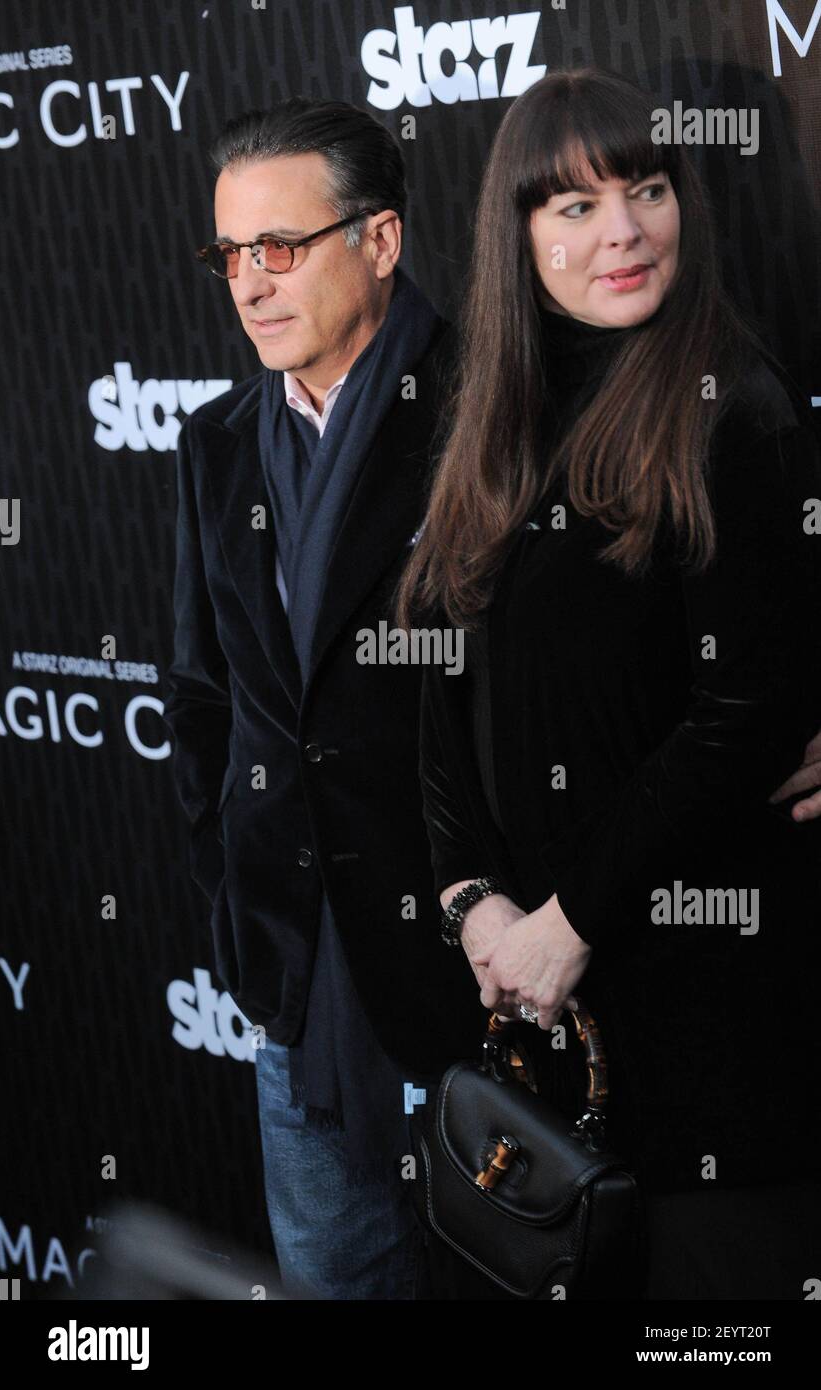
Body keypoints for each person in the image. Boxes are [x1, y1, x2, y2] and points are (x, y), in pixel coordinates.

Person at [395, 66, 821, 1300]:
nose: (622, 230)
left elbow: (740, 719)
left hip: (715, 1037)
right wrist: (473, 899)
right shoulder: (496, 424)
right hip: (546, 1035)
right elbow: (441, 698)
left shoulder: (733, 415)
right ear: (516, 234)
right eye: (572, 207)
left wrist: (568, 922)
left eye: (645, 188)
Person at [161, 97, 487, 1300]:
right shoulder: (217, 444)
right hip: (297, 998)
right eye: (231, 253)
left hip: (476, 997)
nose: (251, 283)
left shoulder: (490, 413)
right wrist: (240, 894)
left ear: (382, 240)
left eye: (282, 246)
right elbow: (203, 696)